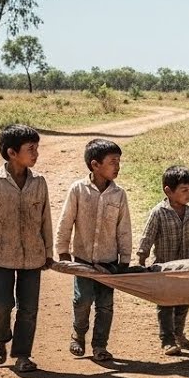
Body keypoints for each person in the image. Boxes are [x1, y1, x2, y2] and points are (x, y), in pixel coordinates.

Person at [0, 124, 54, 373]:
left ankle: (23, 355)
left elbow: (46, 219)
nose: (36, 154)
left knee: (28, 309)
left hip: (33, 257)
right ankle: (0, 338)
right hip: (2, 255)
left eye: (37, 148)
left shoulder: (39, 183)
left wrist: (48, 252)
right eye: (31, 149)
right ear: (12, 153)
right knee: (0, 304)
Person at [56, 138, 132, 361]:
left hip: (109, 263)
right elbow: (66, 221)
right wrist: (62, 250)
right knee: (83, 300)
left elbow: (124, 228)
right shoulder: (78, 190)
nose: (118, 166)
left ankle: (100, 345)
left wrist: (124, 259)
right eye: (113, 162)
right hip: (83, 260)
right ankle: (78, 334)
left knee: (105, 306)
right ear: (95, 165)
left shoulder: (119, 195)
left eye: (119, 161)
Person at [136, 165, 189, 356]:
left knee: (184, 302)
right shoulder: (158, 212)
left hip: (187, 268)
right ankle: (167, 340)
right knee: (165, 304)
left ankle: (179, 333)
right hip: (164, 269)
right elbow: (147, 237)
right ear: (168, 190)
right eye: (184, 190)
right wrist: (141, 259)